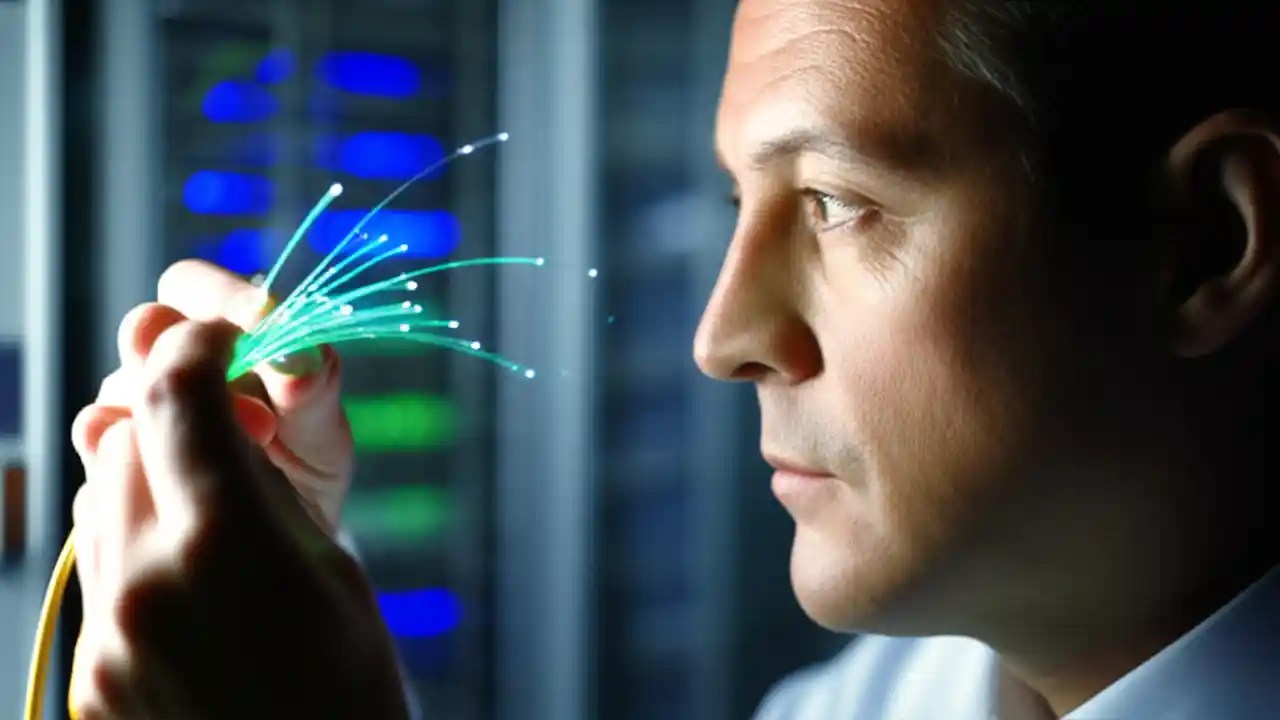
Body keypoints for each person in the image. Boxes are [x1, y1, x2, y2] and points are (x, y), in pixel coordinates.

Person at [69, 0, 1280, 718]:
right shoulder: (881, 695)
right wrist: (300, 616)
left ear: (1203, 243)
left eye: (834, 202)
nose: (721, 341)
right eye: (735, 202)